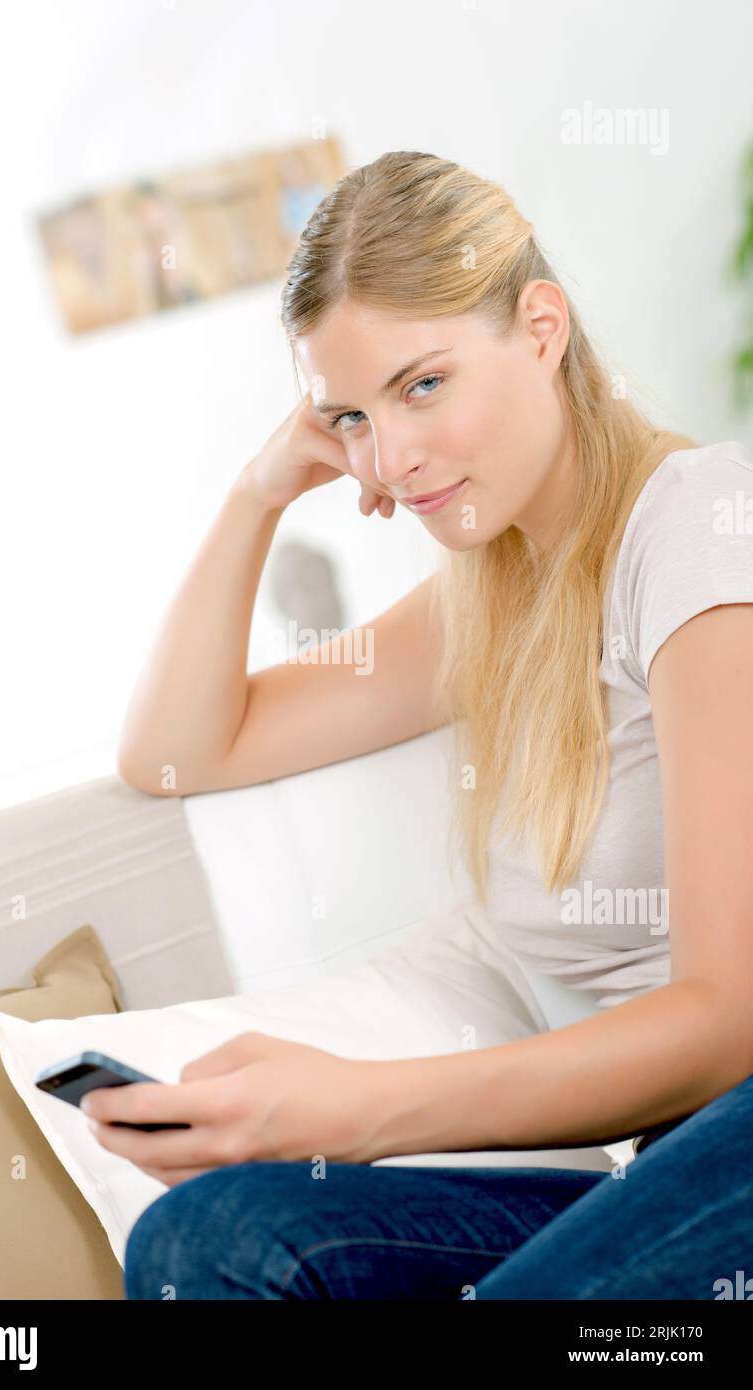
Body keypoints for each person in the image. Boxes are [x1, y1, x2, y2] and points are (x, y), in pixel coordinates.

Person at [93, 151, 753, 1299]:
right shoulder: (488, 598)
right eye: (348, 414)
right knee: (205, 1242)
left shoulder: (695, 529)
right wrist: (257, 491)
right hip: (647, 1170)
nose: (386, 460)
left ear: (541, 328)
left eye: (423, 385)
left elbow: (724, 1021)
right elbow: (173, 752)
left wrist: (354, 1109)